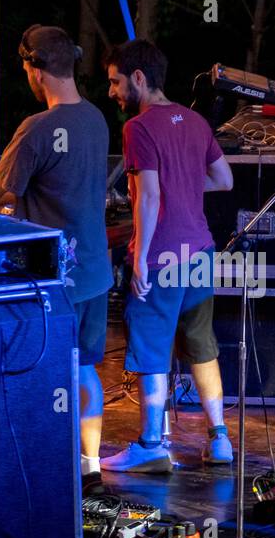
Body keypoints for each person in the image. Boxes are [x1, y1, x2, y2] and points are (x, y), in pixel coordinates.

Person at [0, 24, 111, 489]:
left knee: (39, 369)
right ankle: (89, 464)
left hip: (55, 278)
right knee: (84, 367)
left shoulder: (39, 128)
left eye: (25, 69)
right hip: (95, 273)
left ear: (36, 69)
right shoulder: (96, 118)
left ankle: (38, 462)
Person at [99, 39, 235, 473]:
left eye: (116, 82)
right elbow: (224, 179)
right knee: (202, 347)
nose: (113, 92)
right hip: (199, 252)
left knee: (152, 351)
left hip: (161, 258)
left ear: (139, 78)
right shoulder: (195, 121)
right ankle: (220, 441)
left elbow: (150, 196)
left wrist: (139, 258)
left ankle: (151, 445)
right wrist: (187, 186)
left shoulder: (138, 129)